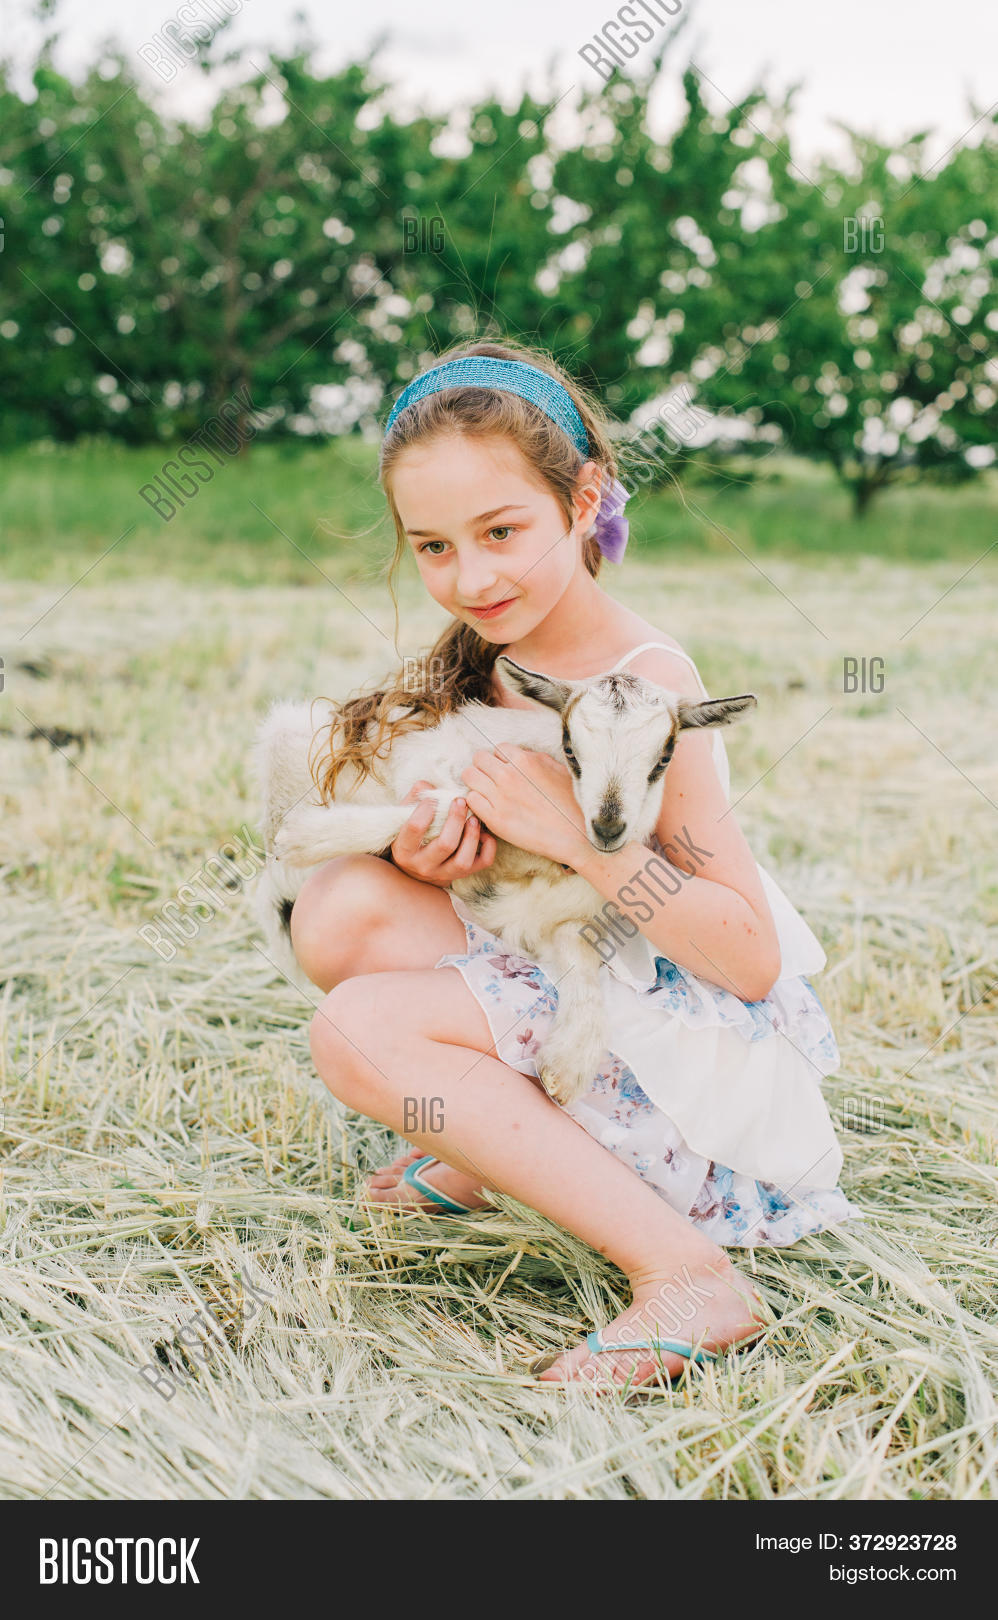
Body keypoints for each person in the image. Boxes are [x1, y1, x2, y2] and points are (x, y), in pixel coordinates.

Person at [289, 339, 862, 1391]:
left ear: (584, 499)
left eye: (501, 531)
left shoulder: (646, 682)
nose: (470, 577)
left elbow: (747, 959)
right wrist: (430, 856)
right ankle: (492, 1149)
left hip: (672, 1046)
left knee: (355, 1031)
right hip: (573, 970)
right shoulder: (495, 657)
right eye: (433, 547)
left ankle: (690, 1278)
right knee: (339, 908)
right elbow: (512, 898)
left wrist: (577, 840)